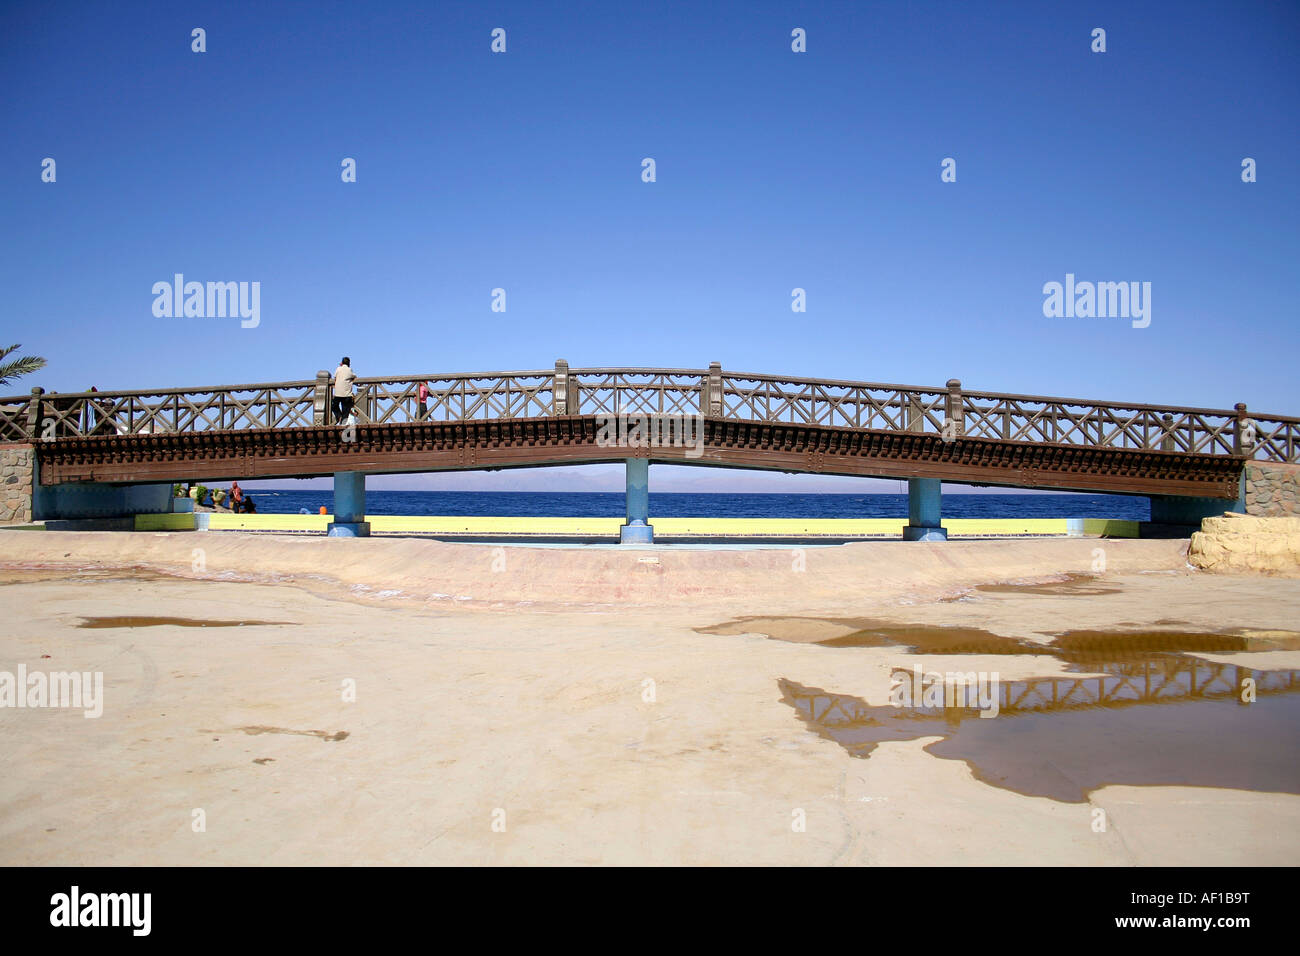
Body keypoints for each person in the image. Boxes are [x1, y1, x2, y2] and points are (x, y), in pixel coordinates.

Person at [332, 357, 356, 424]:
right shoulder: (349, 370)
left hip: (338, 393)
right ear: (349, 364)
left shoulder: (338, 369)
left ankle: (339, 416)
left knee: (334, 406)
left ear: (342, 363)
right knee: (346, 410)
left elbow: (335, 377)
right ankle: (343, 423)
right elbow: (354, 376)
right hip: (347, 394)